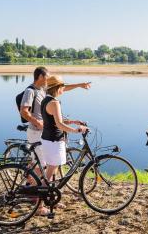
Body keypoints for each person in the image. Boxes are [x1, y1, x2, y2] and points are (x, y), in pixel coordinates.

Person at [36, 75, 88, 214]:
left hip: (48, 139)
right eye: (62, 87)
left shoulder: (46, 100)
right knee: (49, 175)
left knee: (52, 173)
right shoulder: (54, 102)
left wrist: (72, 121)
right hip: (54, 141)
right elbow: (59, 124)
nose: (64, 89)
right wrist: (77, 130)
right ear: (57, 88)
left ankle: (52, 199)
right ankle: (39, 207)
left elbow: (53, 119)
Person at [20, 67, 90, 146]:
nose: (49, 79)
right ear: (40, 77)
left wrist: (79, 85)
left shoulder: (43, 89)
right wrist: (37, 123)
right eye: (47, 77)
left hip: (46, 130)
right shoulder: (30, 91)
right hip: (36, 131)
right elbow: (24, 112)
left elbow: (61, 88)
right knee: (39, 157)